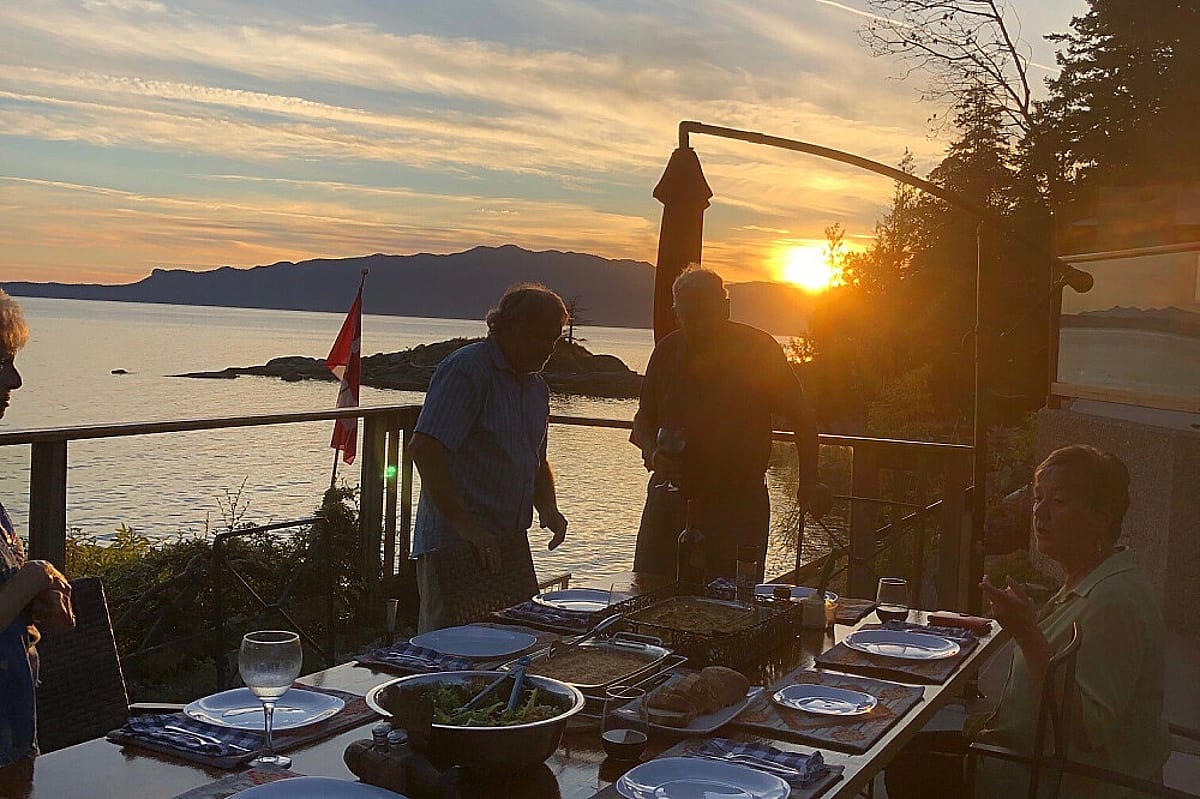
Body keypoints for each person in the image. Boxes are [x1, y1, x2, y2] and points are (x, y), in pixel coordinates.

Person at [886, 444, 1170, 799]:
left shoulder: (1114, 602)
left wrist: (1026, 632)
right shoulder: (1088, 581)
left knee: (904, 767)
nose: (1040, 512)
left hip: (1054, 781)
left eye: (1058, 501)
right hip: (1019, 756)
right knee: (901, 744)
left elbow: (1081, 732)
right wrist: (1030, 625)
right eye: (1038, 498)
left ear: (1103, 517)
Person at [631, 266, 833, 582]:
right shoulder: (667, 351)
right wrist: (653, 451)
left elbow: (802, 417)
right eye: (688, 316)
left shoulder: (759, 350)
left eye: (706, 314)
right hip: (668, 501)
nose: (697, 325)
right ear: (677, 312)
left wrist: (809, 480)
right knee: (648, 590)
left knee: (735, 602)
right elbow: (643, 418)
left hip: (738, 504)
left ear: (725, 307)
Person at [410, 284, 570, 632]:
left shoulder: (536, 387)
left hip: (509, 542)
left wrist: (549, 508)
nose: (547, 349)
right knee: (449, 649)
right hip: (455, 544)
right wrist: (467, 526)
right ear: (507, 327)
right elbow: (425, 448)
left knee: (518, 641)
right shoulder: (467, 370)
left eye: (554, 340)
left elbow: (536, 461)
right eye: (539, 337)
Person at [0, 290, 75, 792]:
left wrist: (36, 592)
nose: (15, 380)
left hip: (13, 737)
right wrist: (31, 578)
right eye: (0, 362)